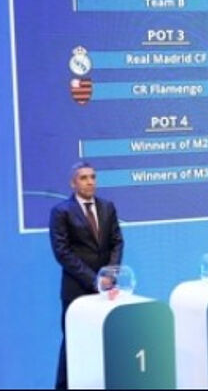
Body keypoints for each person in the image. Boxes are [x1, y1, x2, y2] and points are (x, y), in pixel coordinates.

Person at [49, 161, 124, 389]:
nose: (90, 182)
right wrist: (94, 280)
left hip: (106, 289)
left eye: (93, 177)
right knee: (73, 343)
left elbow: (117, 242)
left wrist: (110, 274)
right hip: (77, 289)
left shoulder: (107, 207)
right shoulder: (61, 212)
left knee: (103, 340)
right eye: (83, 178)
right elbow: (63, 252)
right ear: (73, 183)